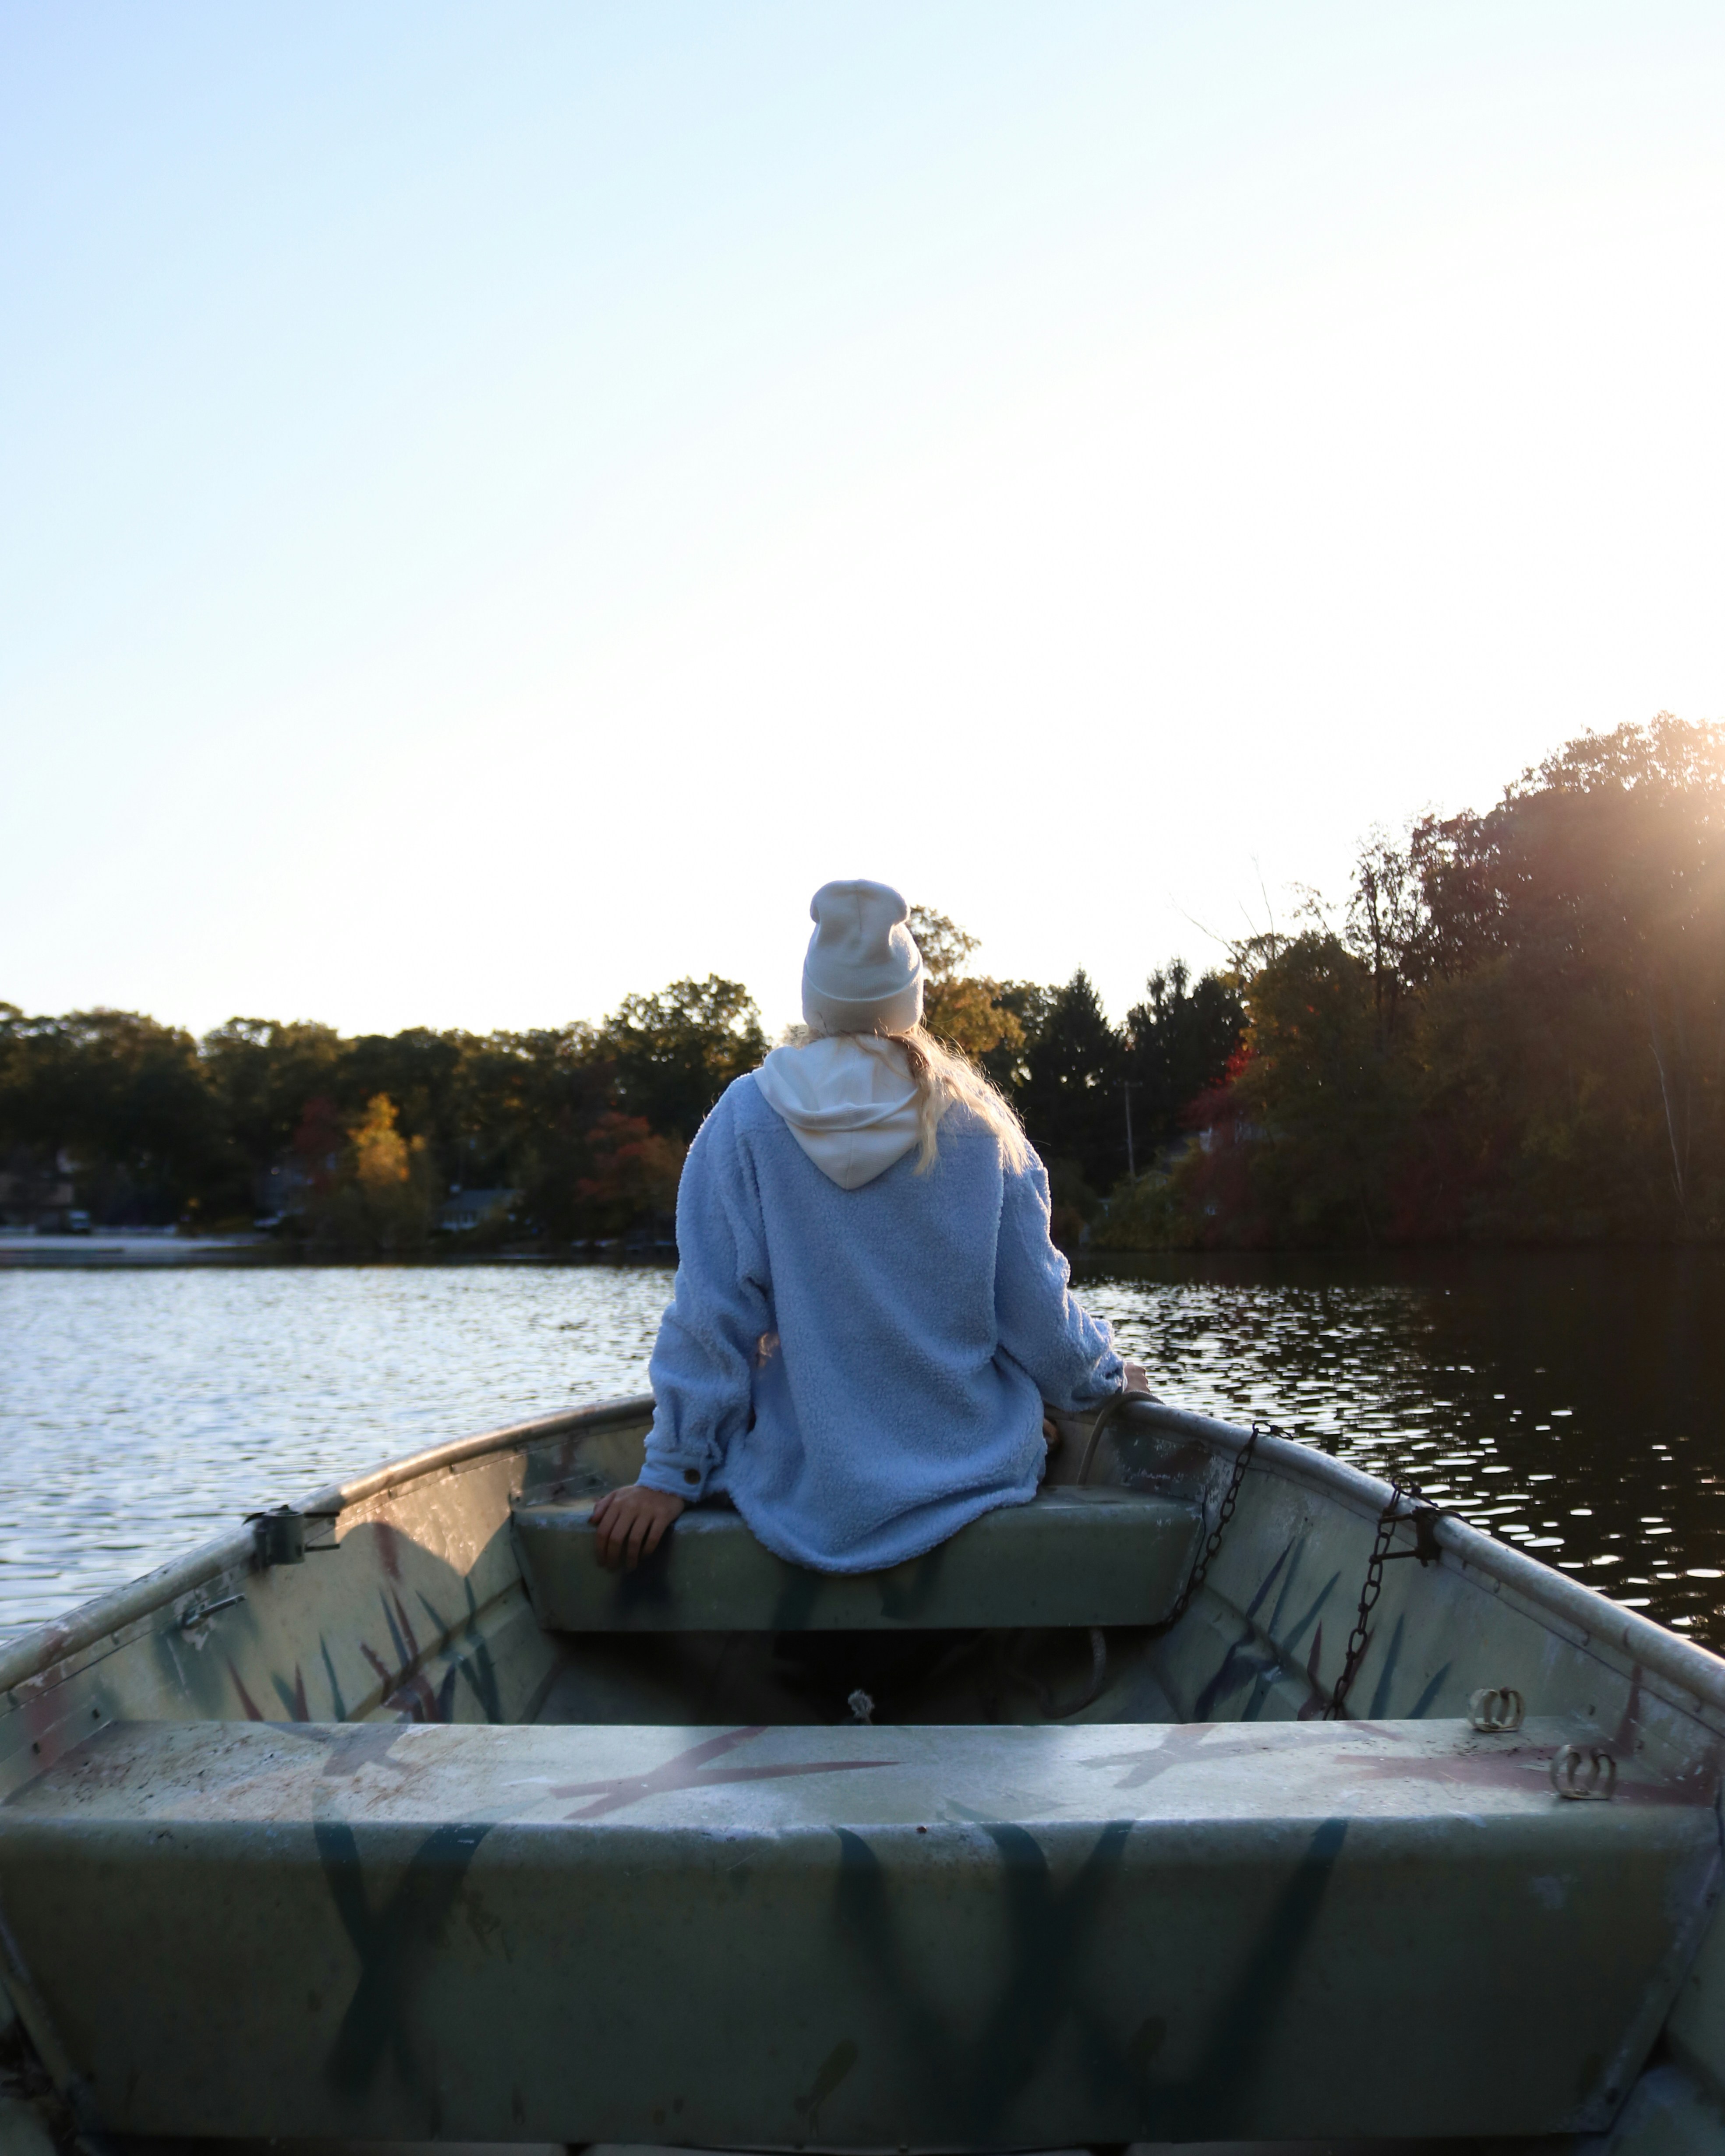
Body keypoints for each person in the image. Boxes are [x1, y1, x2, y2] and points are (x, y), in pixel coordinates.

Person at [592, 879, 1149, 1573]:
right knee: (1029, 1410)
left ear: (813, 999)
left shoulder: (745, 1117)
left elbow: (711, 1317)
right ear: (908, 997)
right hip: (972, 1471)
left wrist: (668, 1475)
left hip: (800, 1487)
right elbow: (1039, 1317)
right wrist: (1105, 1380)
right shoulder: (979, 1123)